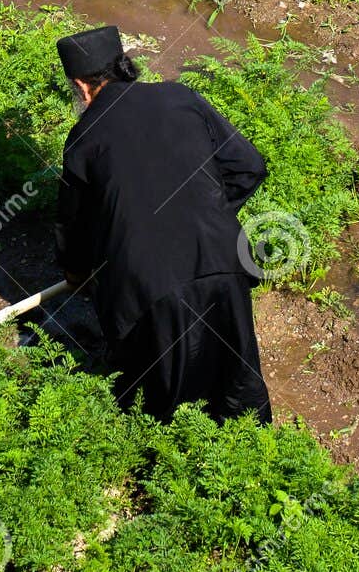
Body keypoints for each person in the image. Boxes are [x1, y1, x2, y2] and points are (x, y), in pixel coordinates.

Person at [54, 23, 272, 425]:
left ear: (81, 88)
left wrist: (77, 272)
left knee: (158, 404)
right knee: (239, 385)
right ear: (123, 65)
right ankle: (256, 464)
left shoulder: (84, 138)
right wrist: (210, 213)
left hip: (146, 288)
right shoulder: (181, 96)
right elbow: (249, 166)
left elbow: (73, 226)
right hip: (225, 262)